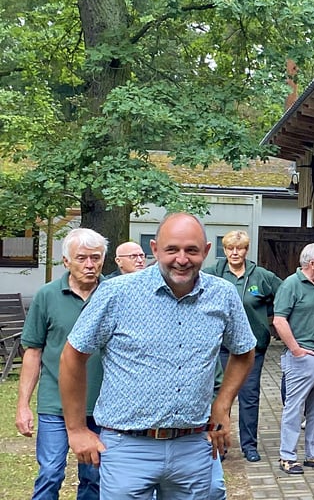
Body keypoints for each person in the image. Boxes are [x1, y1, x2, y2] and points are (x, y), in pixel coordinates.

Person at [60, 213, 256, 499]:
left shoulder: (222, 295)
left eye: (191, 250)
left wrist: (222, 405)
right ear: (154, 249)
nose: (182, 259)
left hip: (192, 445)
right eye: (171, 249)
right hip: (127, 446)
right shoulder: (117, 293)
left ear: (206, 251)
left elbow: (244, 351)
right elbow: (72, 356)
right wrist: (77, 429)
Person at [16, 228, 107, 500]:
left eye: (96, 258)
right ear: (66, 261)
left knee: (94, 477)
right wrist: (23, 406)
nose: (89, 265)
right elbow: (32, 351)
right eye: (82, 258)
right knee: (50, 473)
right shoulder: (47, 296)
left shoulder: (113, 294)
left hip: (102, 405)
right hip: (55, 403)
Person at [203, 230, 283, 463]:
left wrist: (266, 320)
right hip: (220, 347)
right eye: (230, 248)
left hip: (252, 349)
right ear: (224, 250)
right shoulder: (213, 275)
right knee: (220, 396)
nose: (234, 253)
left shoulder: (260, 276)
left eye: (239, 248)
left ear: (247, 250)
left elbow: (284, 296)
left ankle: (249, 446)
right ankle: (220, 445)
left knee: (250, 397)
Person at [273, 242, 314, 475]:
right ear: (311, 263)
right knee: (294, 409)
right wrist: (296, 350)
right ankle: (287, 457)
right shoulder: (291, 285)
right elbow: (279, 320)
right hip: (302, 357)